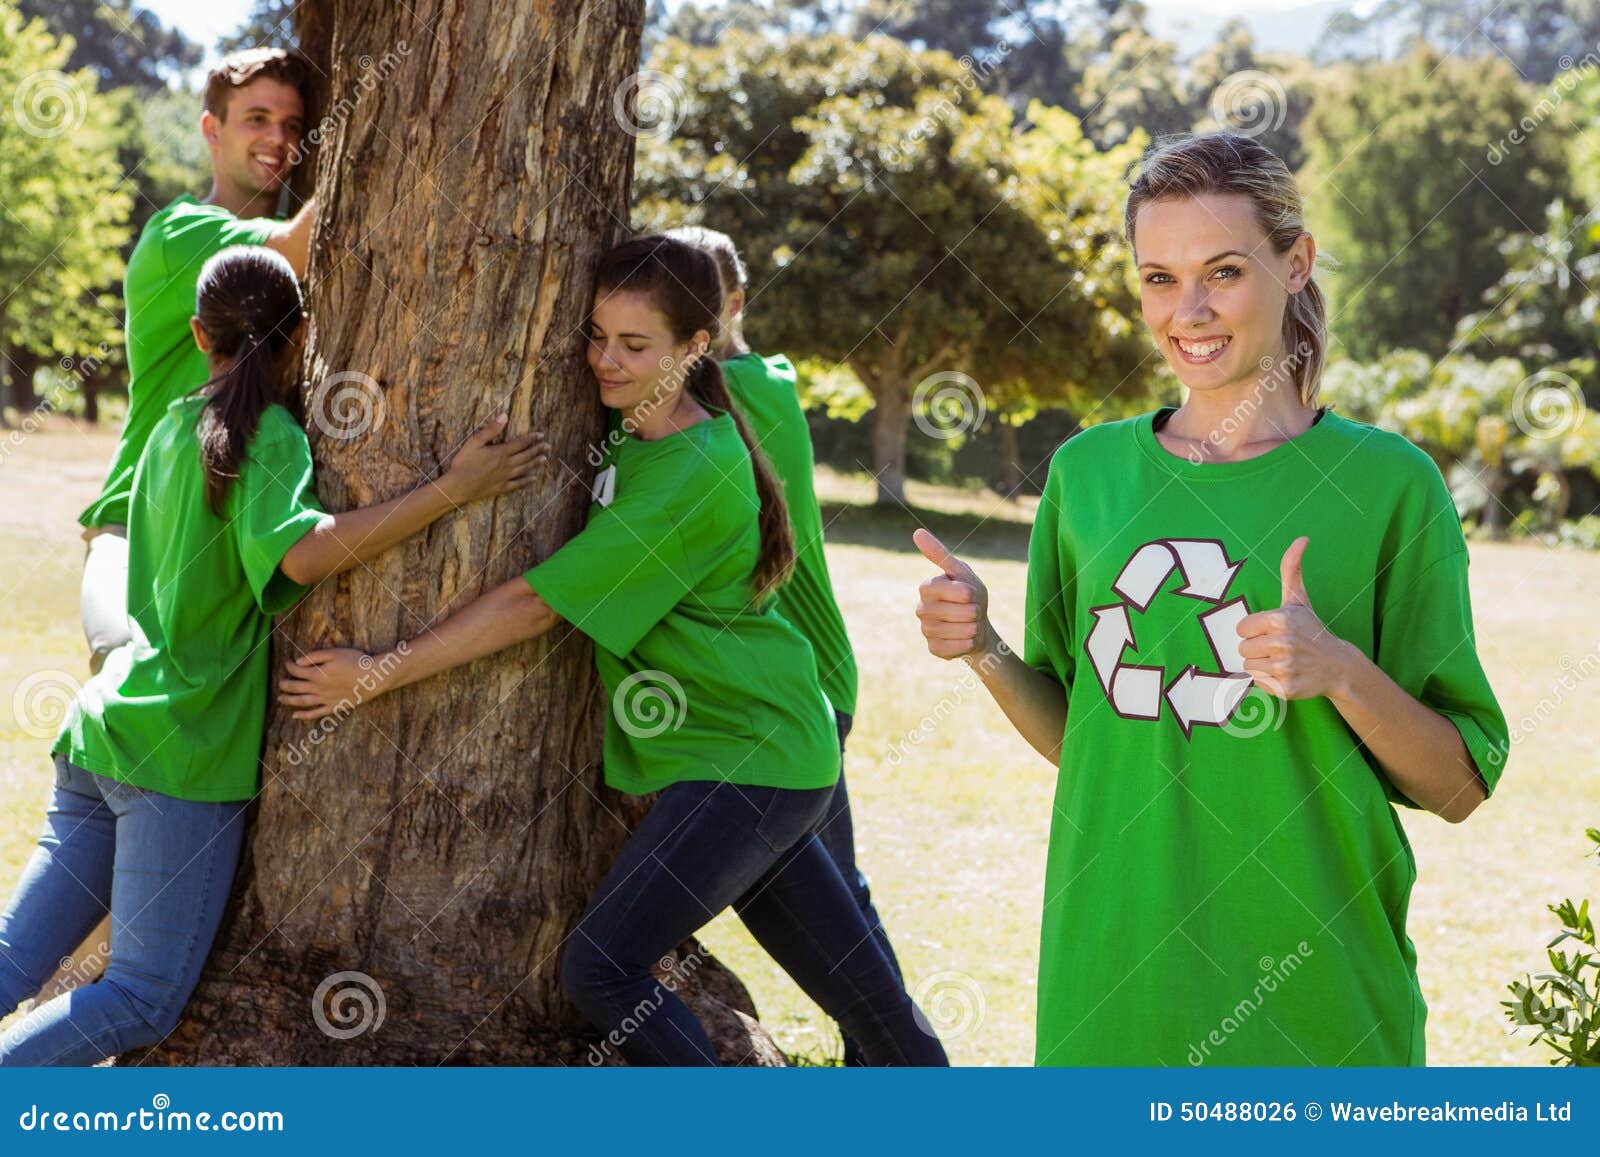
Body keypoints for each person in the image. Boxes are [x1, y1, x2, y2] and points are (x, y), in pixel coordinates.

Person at [277, 234, 948, 1066]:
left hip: (750, 762)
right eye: (596, 336)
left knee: (601, 965)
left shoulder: (693, 472)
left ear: (696, 348)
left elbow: (531, 605)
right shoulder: (637, 427)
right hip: (774, 753)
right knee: (875, 1012)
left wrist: (374, 674)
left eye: (635, 346)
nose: (605, 360)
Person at [913, 132, 1509, 1066]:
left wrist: (1341, 671)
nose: (1186, 310)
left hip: (1318, 1006)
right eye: (1158, 277)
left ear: (1296, 262)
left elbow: (1461, 783)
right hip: (1111, 985)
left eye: (1223, 271)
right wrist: (982, 645)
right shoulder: (1088, 474)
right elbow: (1088, 738)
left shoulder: (1391, 485)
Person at [0, 246, 545, 1065]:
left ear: (198, 334)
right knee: (142, 997)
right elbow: (302, 552)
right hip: (180, 750)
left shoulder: (170, 426)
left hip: (105, 725)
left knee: (13, 962)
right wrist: (453, 490)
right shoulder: (269, 434)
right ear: (301, 340)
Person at [667, 224, 907, 1067]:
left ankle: (892, 1061)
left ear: (732, 308)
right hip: (777, 683)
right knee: (833, 887)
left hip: (804, 682)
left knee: (830, 892)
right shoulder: (755, 382)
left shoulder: (745, 389)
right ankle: (886, 1056)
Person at [80, 47, 320, 675]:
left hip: (229, 537)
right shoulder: (180, 232)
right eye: (257, 118)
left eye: (293, 126)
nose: (278, 139)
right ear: (212, 129)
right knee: (124, 707)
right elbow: (296, 245)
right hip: (141, 532)